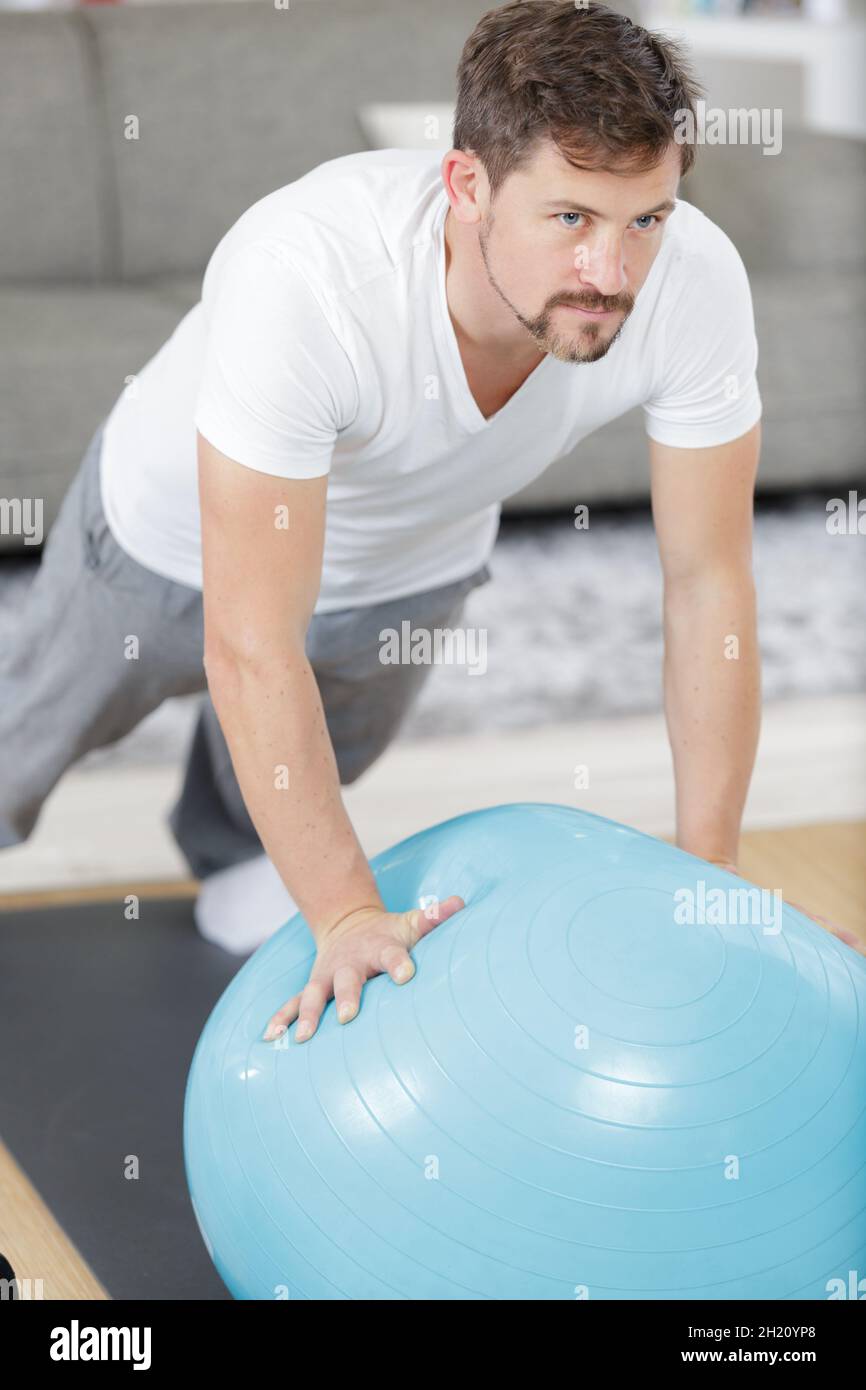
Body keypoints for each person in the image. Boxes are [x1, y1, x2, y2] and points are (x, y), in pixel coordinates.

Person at [4, 2, 845, 1042]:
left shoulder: (693, 280)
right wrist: (351, 913)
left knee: (272, 820)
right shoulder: (307, 271)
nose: (611, 273)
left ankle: (233, 860)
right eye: (570, 218)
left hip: (405, 569)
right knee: (18, 748)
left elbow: (708, 585)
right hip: (159, 543)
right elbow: (251, 638)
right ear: (466, 186)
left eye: (645, 220)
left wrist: (708, 877)